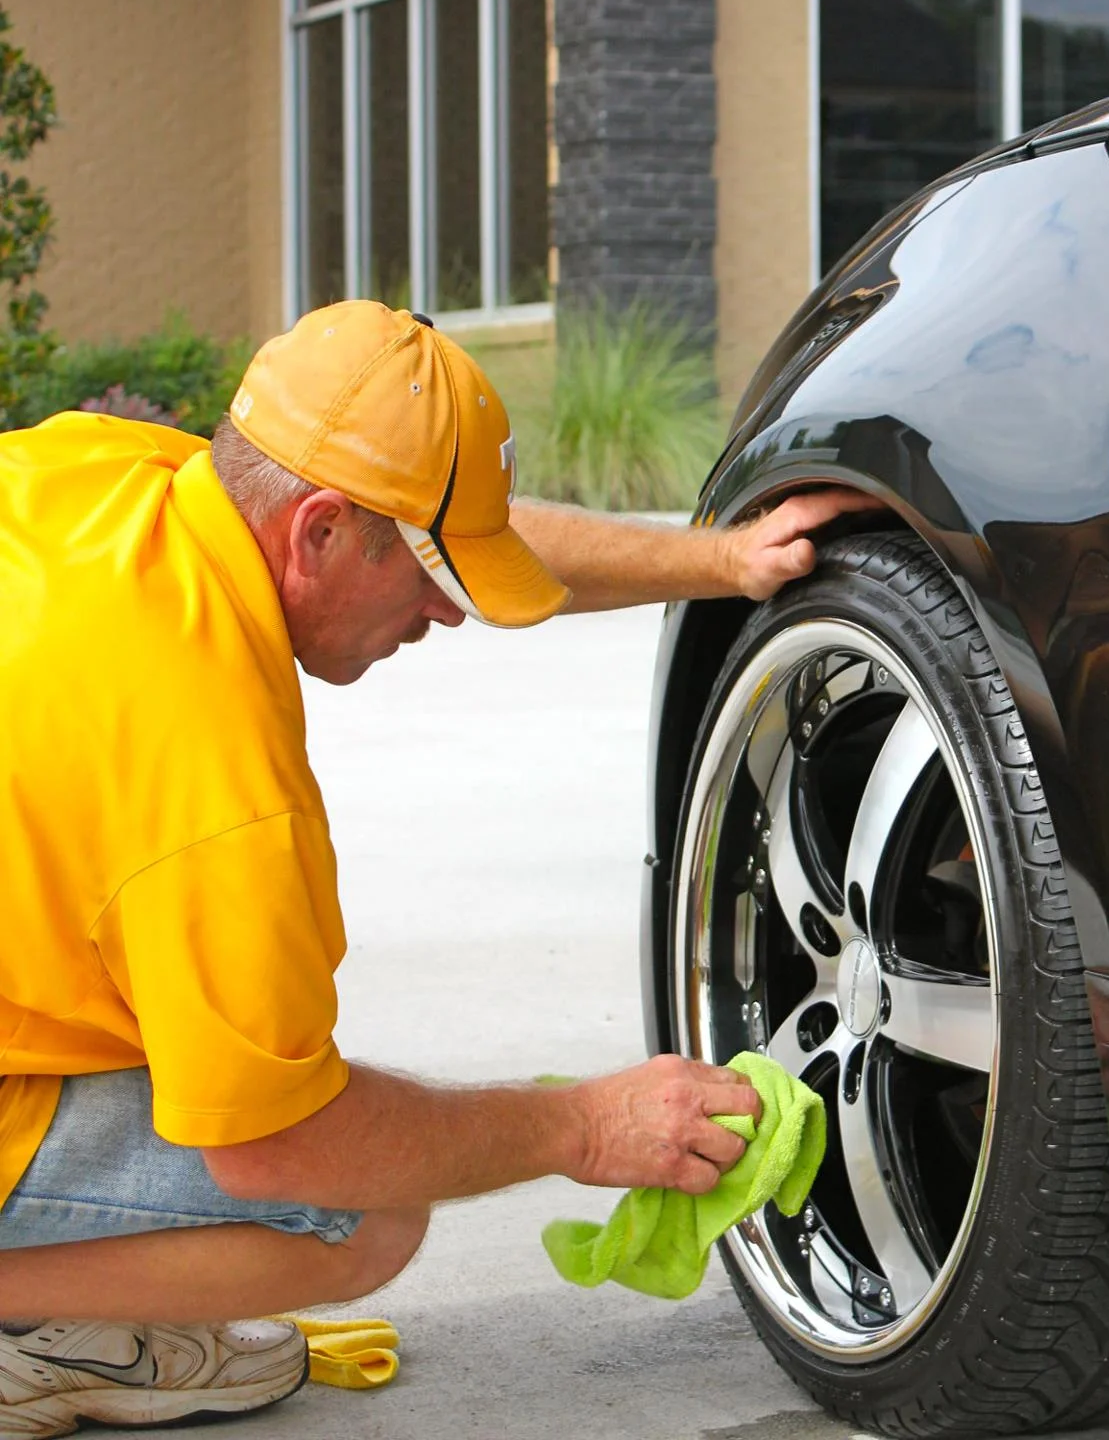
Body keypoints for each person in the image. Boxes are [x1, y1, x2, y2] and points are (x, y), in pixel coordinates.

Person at [0, 302, 867, 1435]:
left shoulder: (110, 473)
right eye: (427, 575)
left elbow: (446, 530)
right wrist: (583, 1126)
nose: (448, 611)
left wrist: (715, 561)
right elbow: (274, 1145)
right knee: (367, 1205)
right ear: (315, 529)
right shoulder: (213, 791)